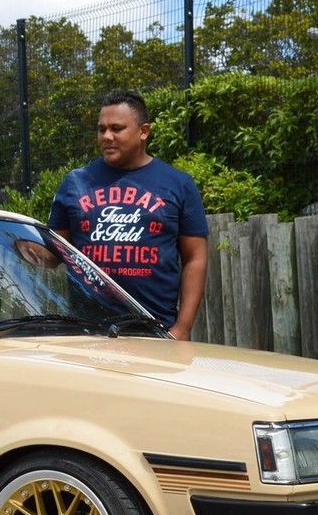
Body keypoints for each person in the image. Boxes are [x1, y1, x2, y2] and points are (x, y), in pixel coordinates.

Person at [48, 91, 209, 338]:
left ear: (143, 131)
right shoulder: (75, 183)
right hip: (87, 333)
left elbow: (195, 258)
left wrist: (182, 328)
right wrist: (20, 242)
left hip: (154, 333)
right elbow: (53, 253)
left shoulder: (178, 184)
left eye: (116, 128)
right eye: (101, 129)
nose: (107, 136)